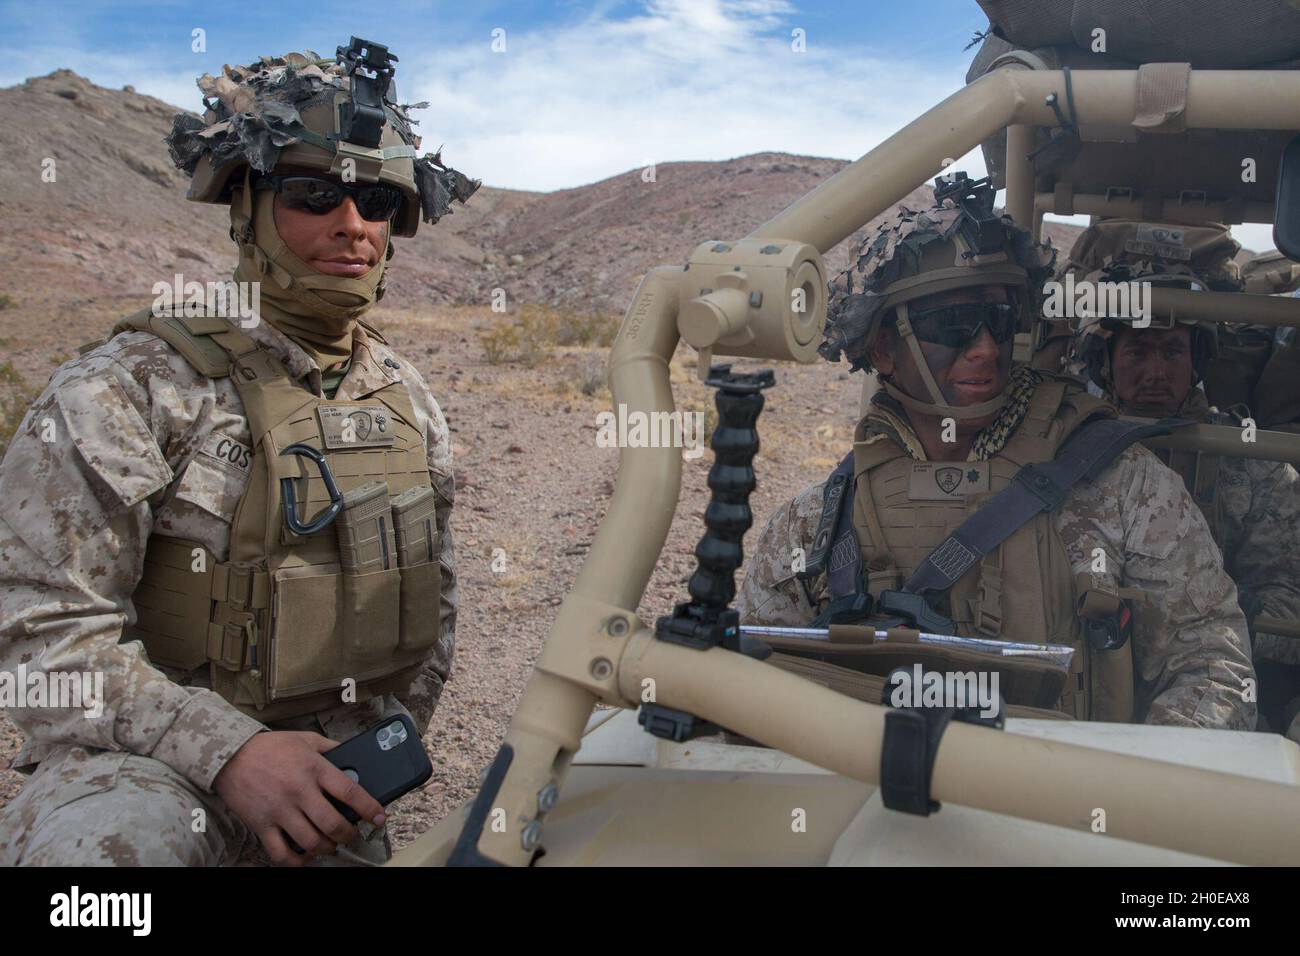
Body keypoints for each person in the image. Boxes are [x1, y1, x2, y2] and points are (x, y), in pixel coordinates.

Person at [0, 41, 479, 865]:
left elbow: (430, 620)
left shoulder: (407, 401)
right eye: (312, 193)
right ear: (247, 208)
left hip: (326, 796)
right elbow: (38, 640)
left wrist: (353, 774)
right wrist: (230, 752)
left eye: (378, 200)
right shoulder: (135, 386)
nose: (352, 223)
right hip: (142, 775)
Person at [736, 178, 1256, 729]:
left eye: (1001, 322)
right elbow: (753, 685)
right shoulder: (816, 521)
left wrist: (1129, 791)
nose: (985, 348)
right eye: (955, 325)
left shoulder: (1123, 486)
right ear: (883, 347)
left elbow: (1213, 666)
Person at [1067, 220, 1300, 734]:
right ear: (1105, 362)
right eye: (1137, 352)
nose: (1156, 371)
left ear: (1197, 360)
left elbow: (1284, 585)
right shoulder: (1069, 452)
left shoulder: (1249, 461)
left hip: (1217, 689)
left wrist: (1220, 630)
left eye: (1172, 352)